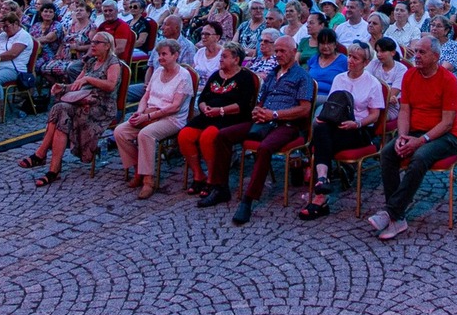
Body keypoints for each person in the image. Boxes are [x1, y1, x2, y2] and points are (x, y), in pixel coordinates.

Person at [216, 36, 316, 224]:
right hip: (264, 120)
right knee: (223, 136)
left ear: (294, 52)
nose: (278, 55)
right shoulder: (272, 73)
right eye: (276, 51)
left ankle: (248, 200)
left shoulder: (303, 77)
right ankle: (220, 187)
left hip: (287, 124)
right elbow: (262, 98)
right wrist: (258, 109)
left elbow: (305, 109)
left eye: (282, 51)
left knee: (264, 148)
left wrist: (275, 114)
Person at [370, 35, 457, 242]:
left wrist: (421, 140)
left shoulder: (448, 80)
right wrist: (402, 136)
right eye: (416, 51)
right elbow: (404, 111)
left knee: (419, 157)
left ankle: (391, 212)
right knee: (388, 153)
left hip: (444, 136)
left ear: (436, 57)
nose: (416, 56)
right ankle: (397, 217)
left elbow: (447, 123)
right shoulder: (410, 76)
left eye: (422, 52)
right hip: (415, 132)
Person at [20, 31, 123, 186]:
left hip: (101, 106)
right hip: (83, 101)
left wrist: (89, 79)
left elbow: (110, 85)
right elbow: (76, 86)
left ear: (107, 46)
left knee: (60, 110)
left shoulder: (113, 63)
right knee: (59, 110)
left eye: (97, 42)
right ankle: (52, 167)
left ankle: (43, 156)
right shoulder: (90, 62)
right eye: (92, 42)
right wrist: (62, 87)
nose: (92, 45)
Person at [300, 41, 386, 220]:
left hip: (360, 129)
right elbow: (333, 106)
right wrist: (323, 116)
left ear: (366, 62)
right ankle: (322, 181)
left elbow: (375, 115)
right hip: (337, 124)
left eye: (356, 58)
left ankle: (320, 192)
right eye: (349, 56)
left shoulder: (373, 83)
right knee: (321, 127)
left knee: (323, 138)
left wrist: (358, 124)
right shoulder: (339, 78)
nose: (350, 61)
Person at [112, 40, 194, 199]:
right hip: (149, 113)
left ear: (175, 55)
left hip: (171, 119)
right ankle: (138, 170)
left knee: (145, 134)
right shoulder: (157, 72)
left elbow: (175, 107)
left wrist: (148, 116)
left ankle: (149, 180)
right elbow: (146, 96)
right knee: (120, 131)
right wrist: (139, 112)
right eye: (159, 54)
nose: (160, 58)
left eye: (164, 54)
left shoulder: (184, 76)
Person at [179, 43, 257, 197]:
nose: (220, 59)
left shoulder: (245, 77)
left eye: (224, 56)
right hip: (208, 115)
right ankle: (198, 175)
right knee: (184, 135)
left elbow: (243, 105)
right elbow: (202, 97)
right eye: (221, 56)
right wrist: (204, 108)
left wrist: (220, 111)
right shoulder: (216, 75)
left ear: (236, 59)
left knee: (208, 138)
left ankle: (213, 179)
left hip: (231, 118)